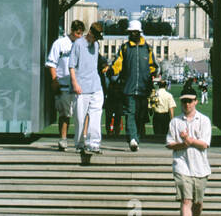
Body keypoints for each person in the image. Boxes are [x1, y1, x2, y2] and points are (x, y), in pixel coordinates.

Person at [166, 81, 211, 216]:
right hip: (182, 165)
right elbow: (170, 143)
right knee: (186, 200)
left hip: (200, 167)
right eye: (184, 101)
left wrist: (189, 140)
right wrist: (183, 144)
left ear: (196, 101)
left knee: (198, 202)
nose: (187, 104)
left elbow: (204, 144)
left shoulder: (204, 120)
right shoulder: (175, 122)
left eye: (190, 101)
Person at [109, 18, 158, 152]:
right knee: (130, 113)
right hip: (129, 88)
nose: (133, 35)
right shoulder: (125, 48)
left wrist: (153, 76)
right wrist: (111, 70)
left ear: (139, 33)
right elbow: (118, 64)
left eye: (135, 32)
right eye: (132, 32)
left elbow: (153, 66)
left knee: (140, 116)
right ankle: (133, 139)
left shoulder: (147, 48)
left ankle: (134, 137)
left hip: (144, 88)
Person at [45, 20, 85, 151]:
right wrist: (54, 80)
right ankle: (63, 139)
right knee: (64, 114)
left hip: (78, 85)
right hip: (63, 84)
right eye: (78, 33)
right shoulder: (60, 43)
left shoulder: (83, 44)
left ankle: (81, 139)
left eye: (81, 33)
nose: (79, 36)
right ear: (72, 31)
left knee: (81, 115)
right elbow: (52, 63)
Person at [69, 21, 105, 157]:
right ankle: (79, 143)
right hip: (81, 87)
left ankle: (94, 143)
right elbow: (71, 66)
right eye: (95, 37)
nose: (96, 40)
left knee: (96, 115)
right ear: (90, 32)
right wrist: (75, 83)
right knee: (79, 117)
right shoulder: (78, 44)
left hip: (95, 85)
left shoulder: (96, 45)